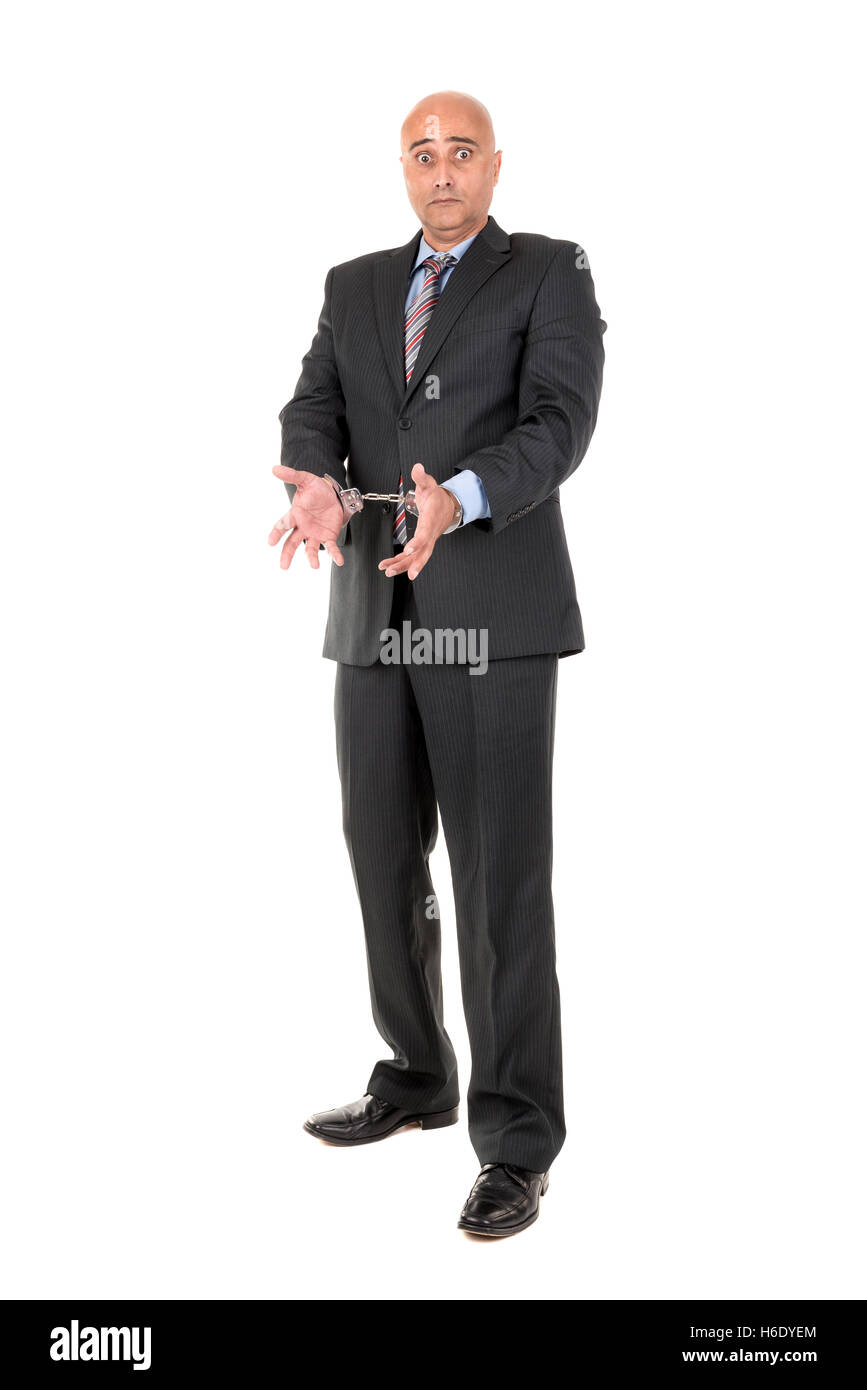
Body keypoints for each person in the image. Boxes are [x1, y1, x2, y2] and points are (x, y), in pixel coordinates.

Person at [268, 90, 606, 1238]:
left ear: (495, 164)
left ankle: (517, 1142)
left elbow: (559, 423)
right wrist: (312, 475)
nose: (443, 169)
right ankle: (417, 1071)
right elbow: (314, 404)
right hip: (374, 610)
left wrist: (456, 502)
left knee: (499, 883)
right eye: (424, 153)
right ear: (401, 168)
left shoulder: (548, 271)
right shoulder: (354, 284)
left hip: (493, 618)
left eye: (462, 151)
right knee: (378, 852)